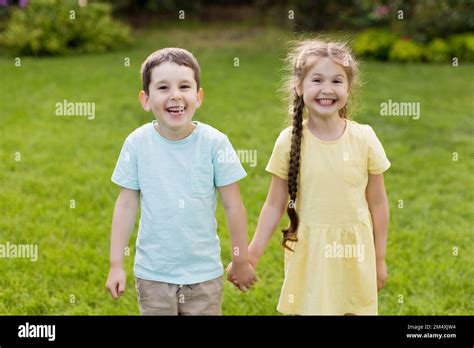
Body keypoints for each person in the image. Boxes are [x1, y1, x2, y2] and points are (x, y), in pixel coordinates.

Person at [228, 39, 390, 315]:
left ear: (349, 88)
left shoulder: (364, 138)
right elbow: (274, 204)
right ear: (299, 86)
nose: (327, 89)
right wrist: (251, 254)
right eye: (317, 80)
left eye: (337, 81)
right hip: (310, 251)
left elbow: (378, 203)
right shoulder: (289, 141)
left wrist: (379, 258)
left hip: (354, 250)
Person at [106, 47, 256, 315]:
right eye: (163, 87)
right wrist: (116, 264)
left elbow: (234, 206)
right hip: (153, 274)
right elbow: (126, 204)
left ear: (198, 97)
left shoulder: (215, 143)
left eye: (184, 86)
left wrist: (240, 259)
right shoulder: (137, 143)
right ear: (146, 99)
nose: (175, 95)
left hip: (204, 275)